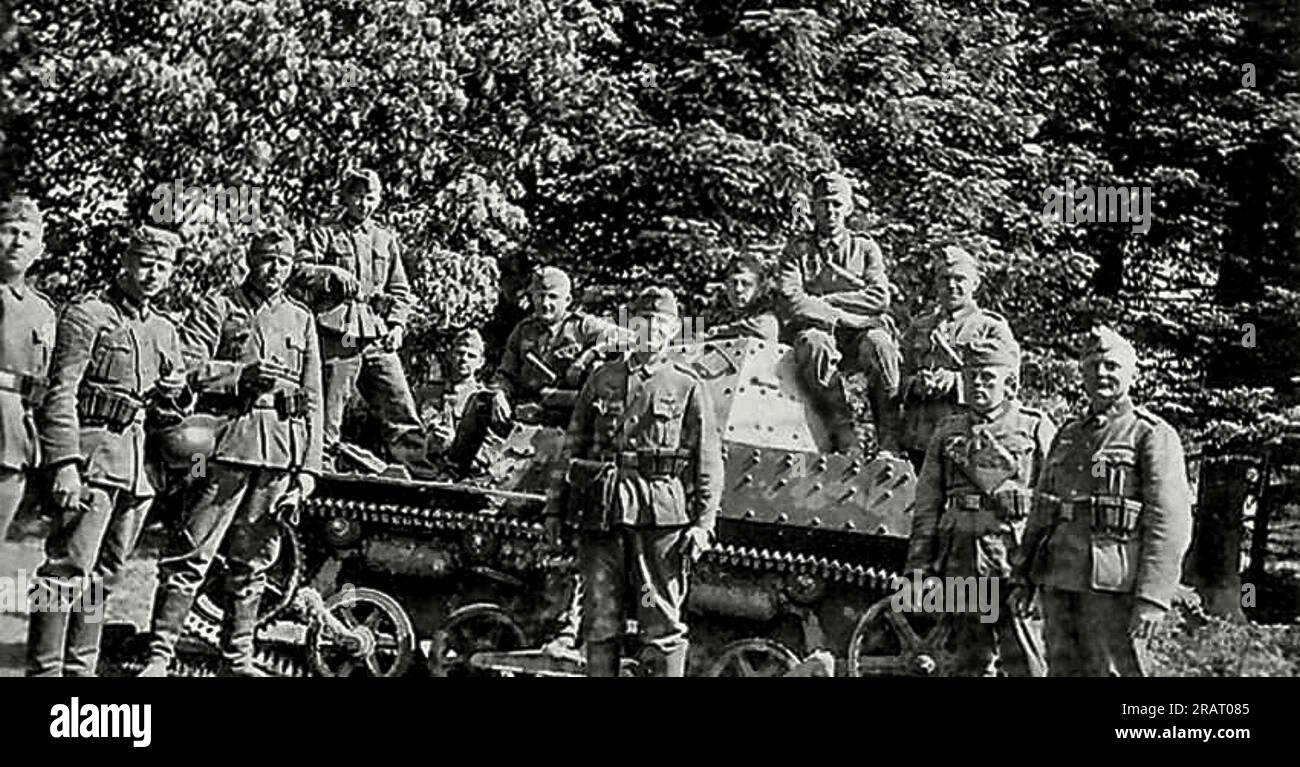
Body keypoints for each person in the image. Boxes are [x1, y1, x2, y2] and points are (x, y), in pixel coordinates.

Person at [137, 228, 323, 677]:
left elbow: (313, 398)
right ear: (250, 260)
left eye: (283, 261)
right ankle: (159, 656)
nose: (274, 268)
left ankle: (237, 658)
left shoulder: (301, 318)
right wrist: (239, 375)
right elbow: (183, 366)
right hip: (219, 449)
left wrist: (308, 470)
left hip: (278, 453)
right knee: (191, 553)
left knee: (254, 562)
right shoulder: (219, 306)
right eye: (266, 259)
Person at [27, 225, 190, 676]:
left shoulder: (163, 328)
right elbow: (60, 391)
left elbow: (171, 405)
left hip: (138, 469)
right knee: (66, 568)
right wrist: (64, 462)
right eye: (146, 263)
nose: (153, 274)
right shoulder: (88, 314)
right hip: (92, 458)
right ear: (126, 262)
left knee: (106, 575)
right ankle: (44, 670)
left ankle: (81, 669)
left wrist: (177, 393)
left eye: (163, 267)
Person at [543, 287, 723, 677]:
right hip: (601, 513)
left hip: (659, 517)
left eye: (661, 323)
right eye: (643, 321)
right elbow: (572, 445)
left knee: (661, 622)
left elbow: (707, 460)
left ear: (673, 330)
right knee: (600, 620)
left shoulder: (686, 385)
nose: (652, 330)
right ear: (631, 326)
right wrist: (554, 510)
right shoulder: (602, 379)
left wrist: (704, 524)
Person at [1010, 327, 1194, 676]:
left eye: (1112, 366)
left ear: (1131, 373)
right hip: (1060, 577)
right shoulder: (1068, 435)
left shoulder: (1150, 434)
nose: (1101, 373)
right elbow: (1043, 511)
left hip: (1115, 587)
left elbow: (1169, 523)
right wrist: (1024, 576)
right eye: (1093, 365)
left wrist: (1153, 597)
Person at [904, 333, 1055, 676]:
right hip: (962, 557)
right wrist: (919, 565)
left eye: (988, 377)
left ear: (1010, 383)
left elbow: (1058, 498)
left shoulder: (1033, 427)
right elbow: (927, 505)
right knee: (969, 660)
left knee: (1026, 660)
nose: (978, 384)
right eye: (971, 376)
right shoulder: (947, 431)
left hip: (1016, 561)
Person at [293, 168, 423, 468]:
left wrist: (397, 325)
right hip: (340, 334)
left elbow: (400, 289)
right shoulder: (325, 234)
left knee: (398, 401)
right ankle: (320, 465)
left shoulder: (384, 238)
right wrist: (330, 272)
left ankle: (419, 470)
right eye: (358, 196)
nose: (364, 204)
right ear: (346, 197)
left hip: (375, 333)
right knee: (330, 404)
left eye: (370, 198)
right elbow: (298, 270)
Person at [777, 171, 901, 454]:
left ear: (848, 207)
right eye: (823, 204)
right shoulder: (797, 251)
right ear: (813, 207)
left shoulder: (865, 248)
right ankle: (843, 433)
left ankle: (890, 438)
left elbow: (879, 297)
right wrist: (841, 314)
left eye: (836, 203)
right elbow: (792, 300)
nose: (830, 211)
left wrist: (827, 302)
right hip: (819, 331)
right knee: (814, 345)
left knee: (881, 345)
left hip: (859, 334)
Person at [899, 246, 1014, 471]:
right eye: (944, 279)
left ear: (975, 283)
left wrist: (956, 381)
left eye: (959, 279)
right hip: (921, 441)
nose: (951, 286)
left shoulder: (991, 327)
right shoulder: (919, 327)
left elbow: (1009, 384)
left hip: (971, 440)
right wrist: (916, 384)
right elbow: (899, 379)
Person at [0, 196, 57, 540]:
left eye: (27, 235)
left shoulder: (43, 311)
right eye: (9, 231)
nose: (18, 241)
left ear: (40, 249)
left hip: (14, 438)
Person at [416, 328, 487, 456]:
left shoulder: (483, 400)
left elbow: (488, 448)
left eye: (471, 356)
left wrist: (457, 443)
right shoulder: (427, 392)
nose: (464, 359)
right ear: (449, 355)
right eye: (459, 353)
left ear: (481, 362)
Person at [705, 248, 779, 342]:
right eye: (733, 283)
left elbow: (747, 334)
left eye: (746, 284)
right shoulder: (714, 315)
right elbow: (690, 342)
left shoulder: (765, 321)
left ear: (759, 289)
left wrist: (720, 331)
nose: (738, 289)